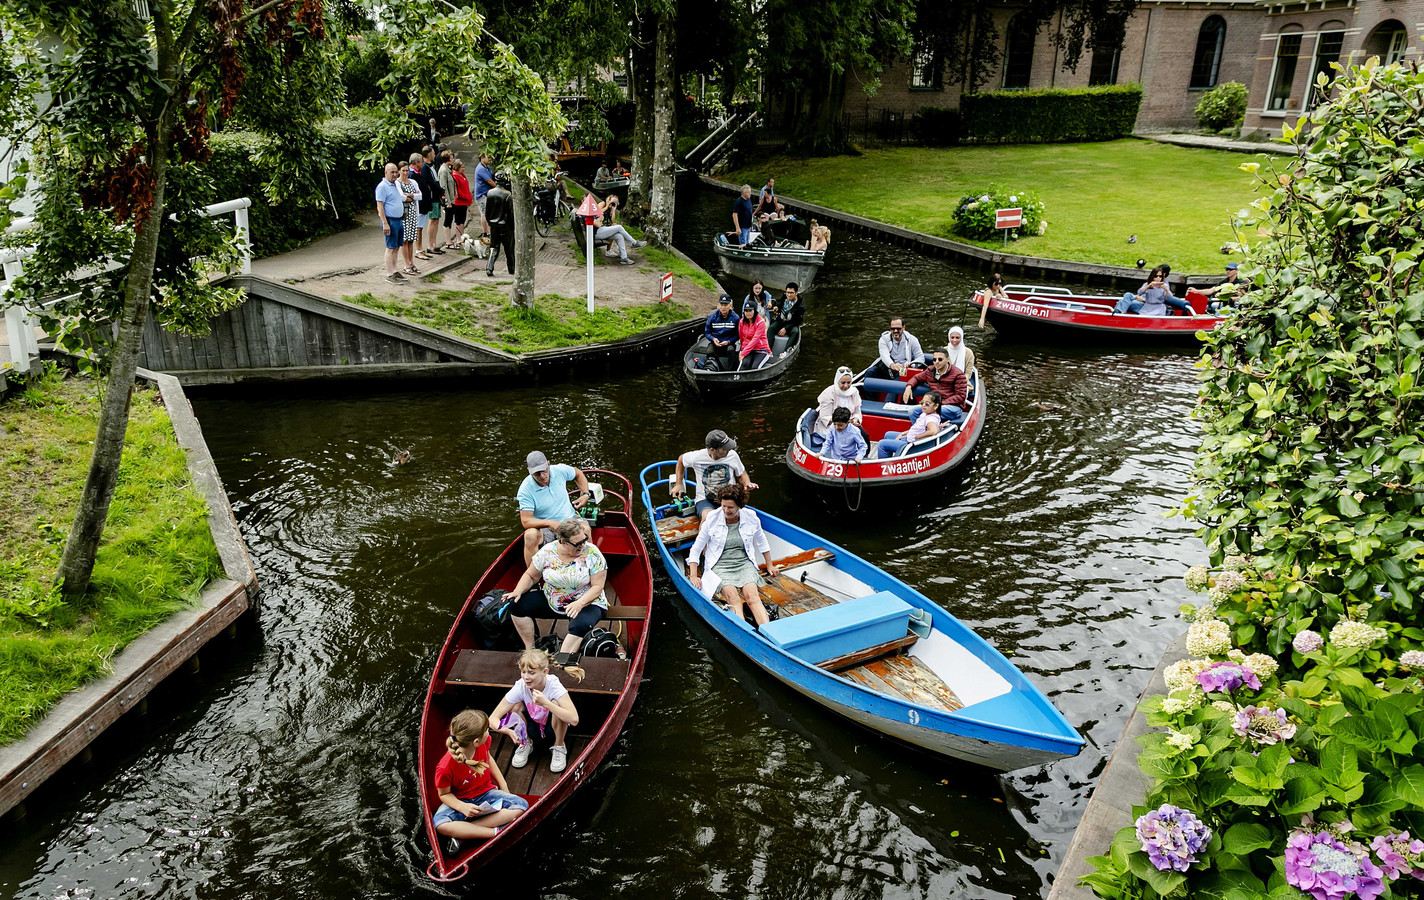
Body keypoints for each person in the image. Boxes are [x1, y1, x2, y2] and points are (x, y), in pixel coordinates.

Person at [506, 517, 610, 656]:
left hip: (587, 602)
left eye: (584, 539)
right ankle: (531, 650)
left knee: (578, 625)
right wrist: (518, 591)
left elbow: (597, 586)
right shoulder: (548, 551)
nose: (583, 545)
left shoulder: (592, 553)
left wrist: (580, 603)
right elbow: (531, 575)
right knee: (516, 605)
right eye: (577, 543)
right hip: (553, 600)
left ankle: (562, 660)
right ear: (562, 542)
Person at [430, 710, 528, 852]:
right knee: (440, 824)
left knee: (521, 805)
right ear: (476, 741)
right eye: (487, 730)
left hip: (486, 793)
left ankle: (463, 834)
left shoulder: (484, 742)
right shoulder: (445, 767)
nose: (489, 732)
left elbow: (488, 759)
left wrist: (503, 785)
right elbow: (444, 795)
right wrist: (462, 807)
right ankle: (495, 832)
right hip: (461, 800)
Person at [686, 483, 779, 628]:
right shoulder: (712, 519)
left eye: (730, 507)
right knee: (733, 598)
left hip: (743, 562)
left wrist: (769, 564)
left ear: (740, 506)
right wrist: (693, 575)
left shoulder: (751, 517)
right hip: (720, 565)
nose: (726, 510)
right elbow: (696, 548)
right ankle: (745, 632)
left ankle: (769, 632)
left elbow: (762, 541)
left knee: (752, 597)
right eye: (723, 506)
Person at [489, 648, 581, 775]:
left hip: (552, 727)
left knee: (556, 704)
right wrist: (508, 731)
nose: (526, 677)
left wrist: (546, 703)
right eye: (523, 672)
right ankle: (526, 742)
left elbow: (574, 719)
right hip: (532, 726)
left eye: (531, 673)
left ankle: (559, 745)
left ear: (544, 672)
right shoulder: (521, 686)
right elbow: (492, 719)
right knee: (514, 706)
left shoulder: (554, 685)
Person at [517, 450, 592, 564]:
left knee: (585, 529)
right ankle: (534, 578)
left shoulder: (559, 470)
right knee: (530, 535)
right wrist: (549, 523)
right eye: (537, 474)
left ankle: (590, 566)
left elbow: (578, 473)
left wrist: (585, 494)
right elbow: (526, 521)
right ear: (529, 471)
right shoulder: (525, 490)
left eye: (544, 471)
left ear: (548, 464)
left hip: (570, 519)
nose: (542, 476)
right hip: (547, 528)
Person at [672, 429, 756, 519]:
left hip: (729, 499)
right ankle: (703, 533)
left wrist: (747, 483)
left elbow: (741, 473)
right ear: (712, 450)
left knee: (744, 518)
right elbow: (681, 460)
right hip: (705, 500)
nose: (728, 450)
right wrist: (678, 484)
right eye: (724, 448)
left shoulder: (732, 455)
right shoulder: (697, 457)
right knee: (709, 518)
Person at [902, 348, 968, 425]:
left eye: (940, 359)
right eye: (934, 360)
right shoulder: (930, 371)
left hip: (952, 407)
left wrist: (939, 403)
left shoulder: (958, 374)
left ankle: (930, 431)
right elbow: (916, 378)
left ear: (947, 360)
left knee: (928, 411)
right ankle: (920, 431)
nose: (936, 362)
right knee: (912, 411)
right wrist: (909, 386)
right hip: (934, 405)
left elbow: (960, 396)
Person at [877, 392, 943, 459]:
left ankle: (883, 466)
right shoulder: (925, 414)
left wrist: (919, 436)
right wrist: (903, 433)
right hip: (908, 438)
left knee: (882, 444)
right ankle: (889, 461)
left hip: (911, 446)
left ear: (935, 406)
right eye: (922, 403)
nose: (923, 405)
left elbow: (933, 431)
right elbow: (916, 429)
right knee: (888, 435)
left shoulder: (931, 418)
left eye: (927, 404)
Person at [375, 163, 406, 283]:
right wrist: (385, 223)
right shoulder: (382, 186)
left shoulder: (394, 185)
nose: (394, 174)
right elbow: (380, 206)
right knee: (390, 247)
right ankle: (389, 273)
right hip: (390, 220)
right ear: (386, 172)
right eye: (392, 172)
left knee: (396, 247)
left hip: (398, 219)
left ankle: (394, 270)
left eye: (395, 172)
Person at [594, 196, 644, 265]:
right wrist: (606, 207)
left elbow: (612, 221)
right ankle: (633, 243)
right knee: (619, 227)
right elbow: (596, 212)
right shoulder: (603, 203)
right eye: (612, 202)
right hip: (596, 231)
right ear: (608, 200)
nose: (613, 204)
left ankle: (624, 258)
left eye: (615, 203)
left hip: (602, 229)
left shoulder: (611, 209)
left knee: (619, 236)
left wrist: (613, 210)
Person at [815, 365, 862, 438]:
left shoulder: (854, 392)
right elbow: (824, 417)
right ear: (837, 381)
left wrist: (855, 419)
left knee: (863, 436)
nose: (846, 386)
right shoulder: (828, 393)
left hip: (850, 425)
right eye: (843, 383)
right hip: (832, 426)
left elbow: (857, 412)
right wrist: (841, 423)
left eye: (848, 382)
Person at [409, 151, 438, 262]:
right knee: (418, 228)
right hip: (419, 207)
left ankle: (420, 249)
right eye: (421, 161)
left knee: (420, 227)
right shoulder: (413, 175)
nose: (422, 163)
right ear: (416, 162)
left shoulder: (417, 173)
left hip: (423, 205)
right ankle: (418, 249)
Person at [484, 176, 515, 277]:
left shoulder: (490, 193)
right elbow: (510, 213)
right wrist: (512, 226)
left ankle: (489, 266)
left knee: (494, 247)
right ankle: (511, 269)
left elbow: (487, 211)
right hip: (505, 225)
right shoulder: (507, 194)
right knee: (509, 249)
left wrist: (489, 221)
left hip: (494, 225)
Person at [397, 162, 422, 276]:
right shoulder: (397, 183)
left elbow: (419, 196)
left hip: (413, 213)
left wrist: (410, 195)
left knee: (411, 239)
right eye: (403, 170)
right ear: (399, 171)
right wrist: (411, 195)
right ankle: (406, 264)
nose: (406, 173)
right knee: (405, 240)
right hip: (404, 214)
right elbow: (401, 197)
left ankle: (411, 263)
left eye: (407, 170)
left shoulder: (413, 182)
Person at [703, 295, 740, 370]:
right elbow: (707, 333)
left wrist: (729, 341)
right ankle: (718, 368)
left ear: (730, 306)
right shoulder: (712, 317)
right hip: (716, 342)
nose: (723, 307)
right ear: (718, 305)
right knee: (709, 352)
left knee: (731, 351)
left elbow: (737, 334)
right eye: (721, 305)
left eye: (725, 305)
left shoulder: (735, 318)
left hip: (728, 343)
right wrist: (713, 339)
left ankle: (732, 371)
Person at [422, 145, 446, 256]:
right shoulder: (425, 168)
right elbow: (430, 182)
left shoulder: (431, 166)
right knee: (433, 220)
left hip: (436, 196)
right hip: (432, 197)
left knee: (436, 219)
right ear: (429, 155)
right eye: (433, 154)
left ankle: (434, 244)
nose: (434, 155)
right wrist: (440, 191)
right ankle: (430, 245)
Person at [444, 159, 472, 248]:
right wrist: (467, 197)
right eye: (461, 167)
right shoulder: (455, 176)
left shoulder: (462, 175)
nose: (463, 169)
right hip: (459, 202)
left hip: (465, 202)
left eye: (464, 167)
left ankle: (462, 237)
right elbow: (458, 191)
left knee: (462, 220)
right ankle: (459, 238)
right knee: (458, 220)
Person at [736, 299, 770, 371]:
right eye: (746, 311)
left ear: (754, 311)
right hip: (747, 348)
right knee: (743, 365)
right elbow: (742, 337)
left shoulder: (761, 322)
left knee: (755, 368)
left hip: (761, 349)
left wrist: (743, 353)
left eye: (750, 311)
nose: (748, 313)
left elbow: (755, 339)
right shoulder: (741, 322)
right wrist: (742, 350)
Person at [767, 282, 804, 346]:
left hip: (791, 324)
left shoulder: (800, 306)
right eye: (788, 292)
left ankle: (786, 351)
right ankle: (768, 349)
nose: (789, 295)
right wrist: (777, 306)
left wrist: (785, 329)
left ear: (796, 293)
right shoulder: (784, 296)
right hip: (781, 321)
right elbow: (779, 302)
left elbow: (798, 320)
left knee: (795, 332)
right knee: (771, 328)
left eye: (791, 293)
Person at [474, 153, 496, 235]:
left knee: (488, 213)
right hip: (481, 195)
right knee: (484, 213)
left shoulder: (488, 168)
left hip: (487, 194)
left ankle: (488, 231)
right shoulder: (480, 169)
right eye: (488, 157)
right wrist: (498, 188)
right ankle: (486, 232)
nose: (490, 159)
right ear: (482, 158)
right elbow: (489, 181)